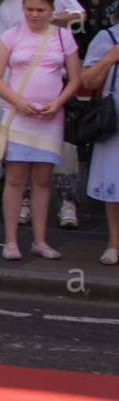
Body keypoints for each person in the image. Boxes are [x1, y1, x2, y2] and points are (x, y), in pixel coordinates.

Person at [0, 0, 86, 229]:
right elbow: (2, 57)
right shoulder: (5, 8)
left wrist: (48, 21)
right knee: (19, 162)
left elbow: (79, 14)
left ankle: (68, 202)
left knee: (60, 152)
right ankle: (24, 205)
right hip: (18, 92)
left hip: (55, 80)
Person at [80, 23, 119, 264]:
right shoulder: (108, 37)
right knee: (114, 185)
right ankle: (114, 243)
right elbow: (88, 80)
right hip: (115, 123)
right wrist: (110, 59)